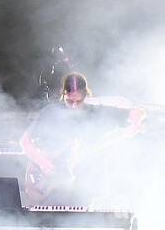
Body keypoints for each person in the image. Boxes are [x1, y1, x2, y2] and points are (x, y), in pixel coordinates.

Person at [19, 72, 144, 204]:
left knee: (77, 214)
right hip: (45, 180)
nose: (73, 105)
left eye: (78, 101)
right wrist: (41, 161)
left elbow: (138, 111)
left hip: (78, 181)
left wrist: (136, 123)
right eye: (69, 101)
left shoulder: (96, 113)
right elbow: (24, 141)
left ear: (86, 95)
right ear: (63, 94)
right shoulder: (50, 111)